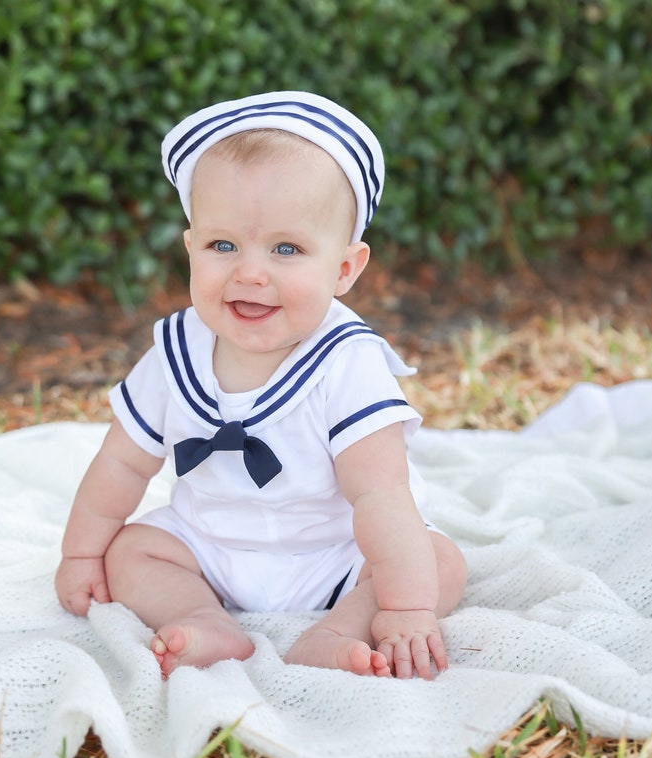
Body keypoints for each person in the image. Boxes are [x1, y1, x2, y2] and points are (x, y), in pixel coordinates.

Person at [55, 91, 467, 680]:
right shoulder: (176, 353)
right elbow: (121, 464)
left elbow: (381, 495)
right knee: (133, 551)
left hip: (338, 554)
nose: (250, 272)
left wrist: (405, 606)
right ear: (191, 248)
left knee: (436, 562)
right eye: (223, 245)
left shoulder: (345, 361)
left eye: (287, 249)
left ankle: (336, 631)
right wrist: (82, 553)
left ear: (345, 269)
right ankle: (206, 620)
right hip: (209, 547)